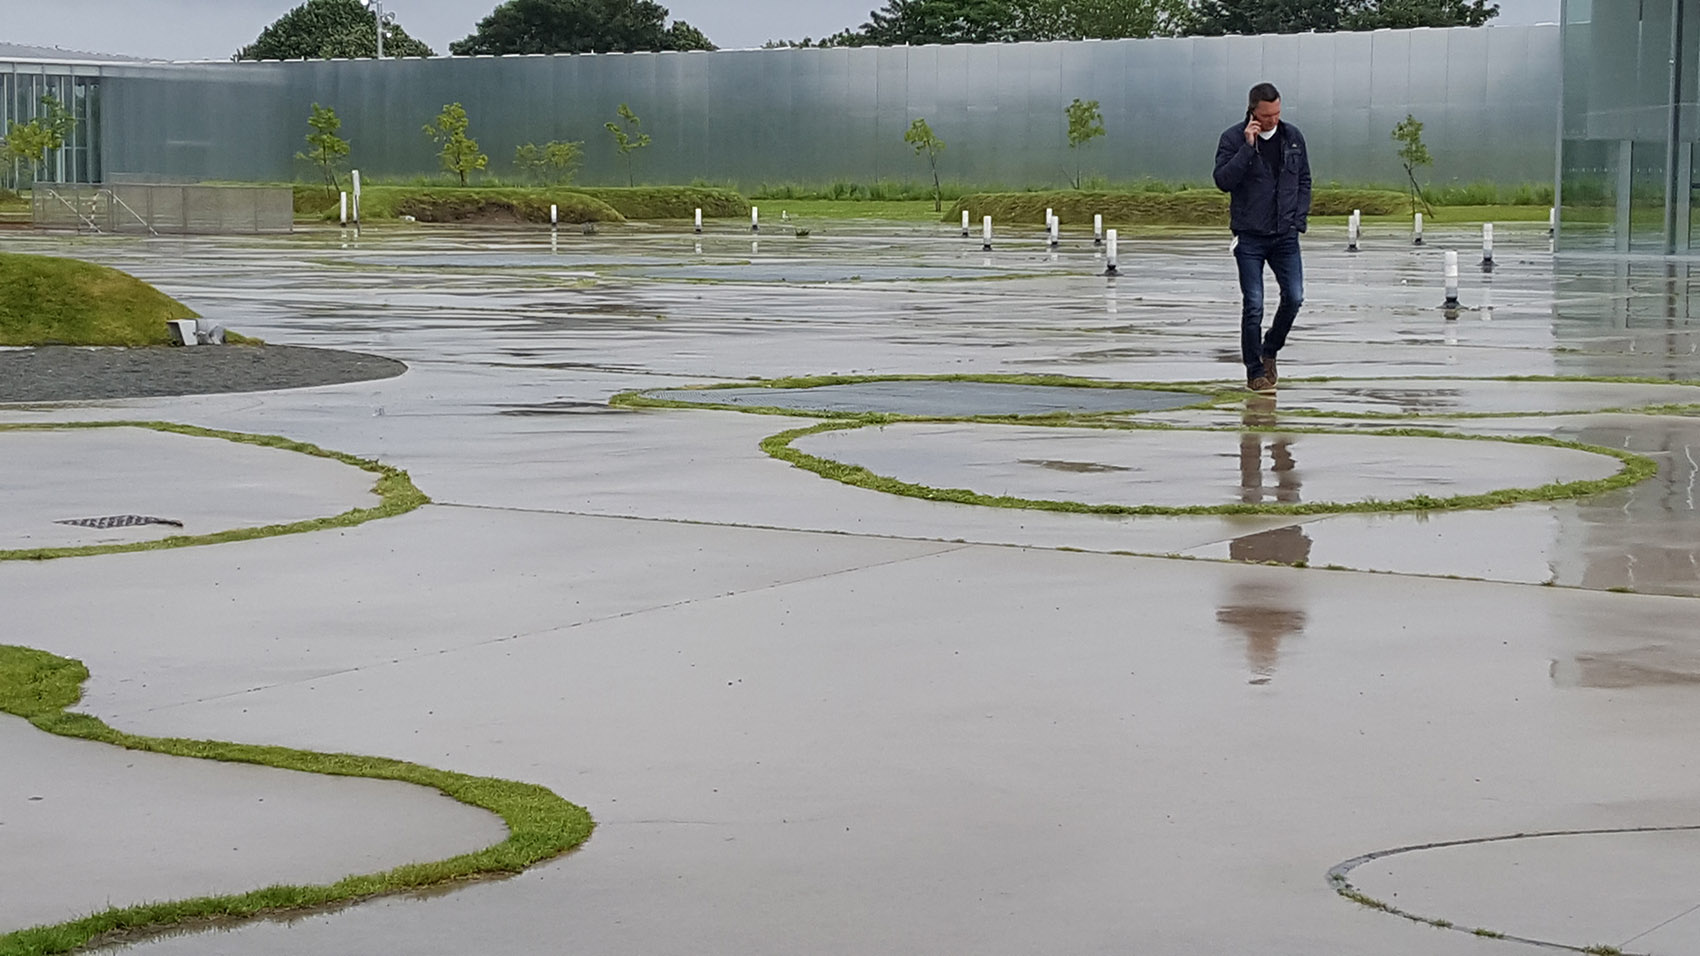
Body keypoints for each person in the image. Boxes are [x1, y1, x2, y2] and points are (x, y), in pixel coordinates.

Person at [1213, 82, 1311, 392]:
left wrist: (1298, 218)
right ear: (1253, 111)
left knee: (1294, 297)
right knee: (1253, 303)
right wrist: (1247, 147)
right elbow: (1223, 181)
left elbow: (1304, 179)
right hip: (1250, 236)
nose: (1273, 120)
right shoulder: (1231, 139)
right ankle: (1254, 370)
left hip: (1285, 235)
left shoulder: (1292, 137)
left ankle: (1270, 350)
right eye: (1267, 115)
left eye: (1277, 113)